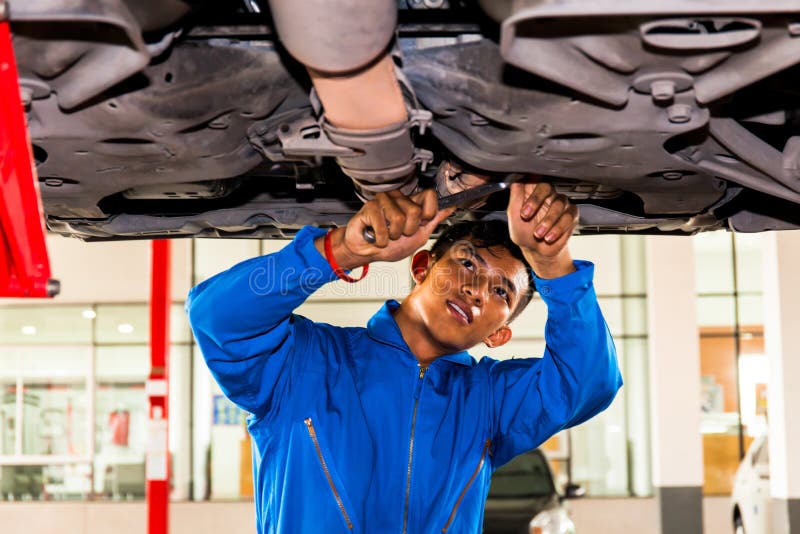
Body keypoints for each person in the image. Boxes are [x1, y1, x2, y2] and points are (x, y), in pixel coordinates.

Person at [186, 180, 622, 534]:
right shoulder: (304, 362)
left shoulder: (491, 402)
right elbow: (216, 316)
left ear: (499, 334)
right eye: (466, 265)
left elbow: (590, 383)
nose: (475, 290)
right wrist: (342, 250)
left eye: (500, 291)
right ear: (421, 268)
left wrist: (553, 268)